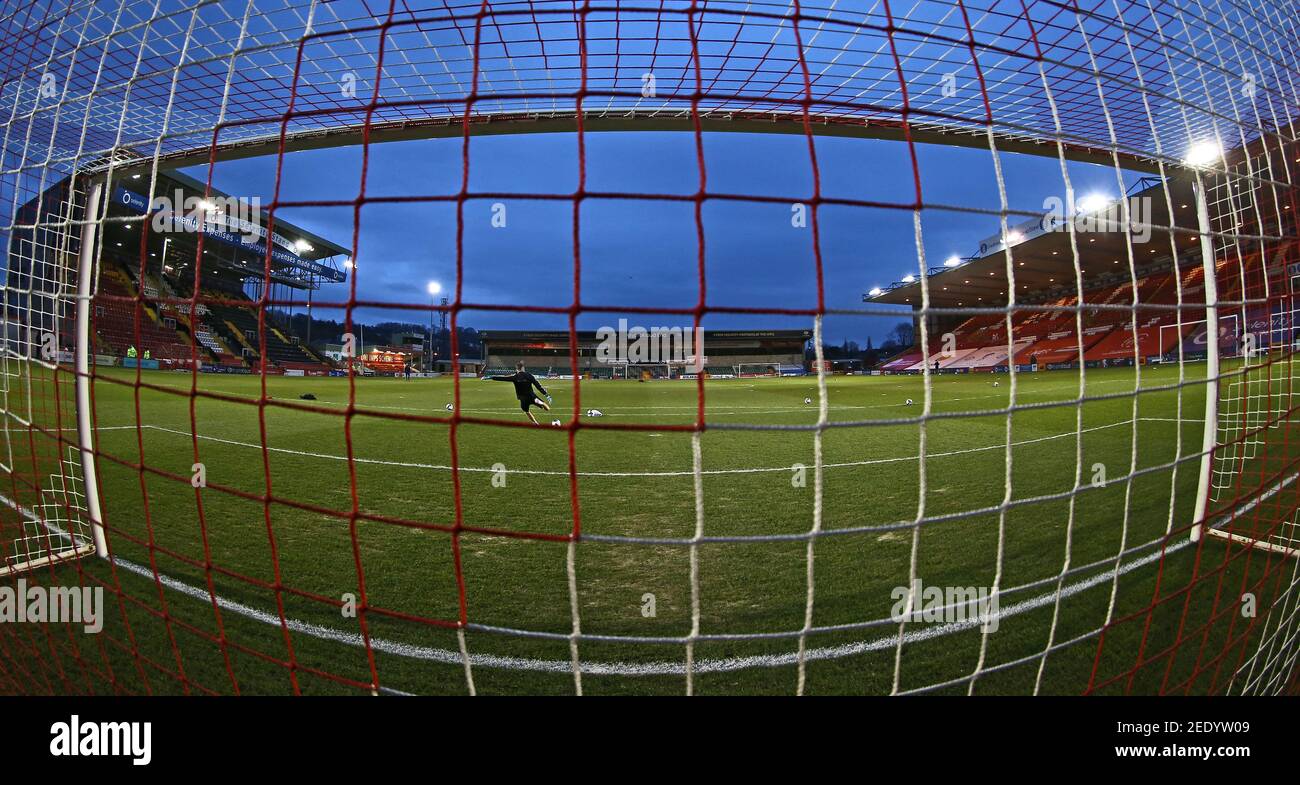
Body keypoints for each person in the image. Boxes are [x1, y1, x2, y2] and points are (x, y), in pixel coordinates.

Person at [486, 361, 553, 424]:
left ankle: (535, 423)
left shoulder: (515, 377)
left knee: (527, 412)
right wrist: (546, 395)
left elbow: (503, 378)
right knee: (547, 408)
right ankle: (540, 403)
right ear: (523, 368)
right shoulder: (529, 375)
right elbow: (538, 386)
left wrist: (491, 377)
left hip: (523, 398)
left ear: (517, 368)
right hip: (532, 396)